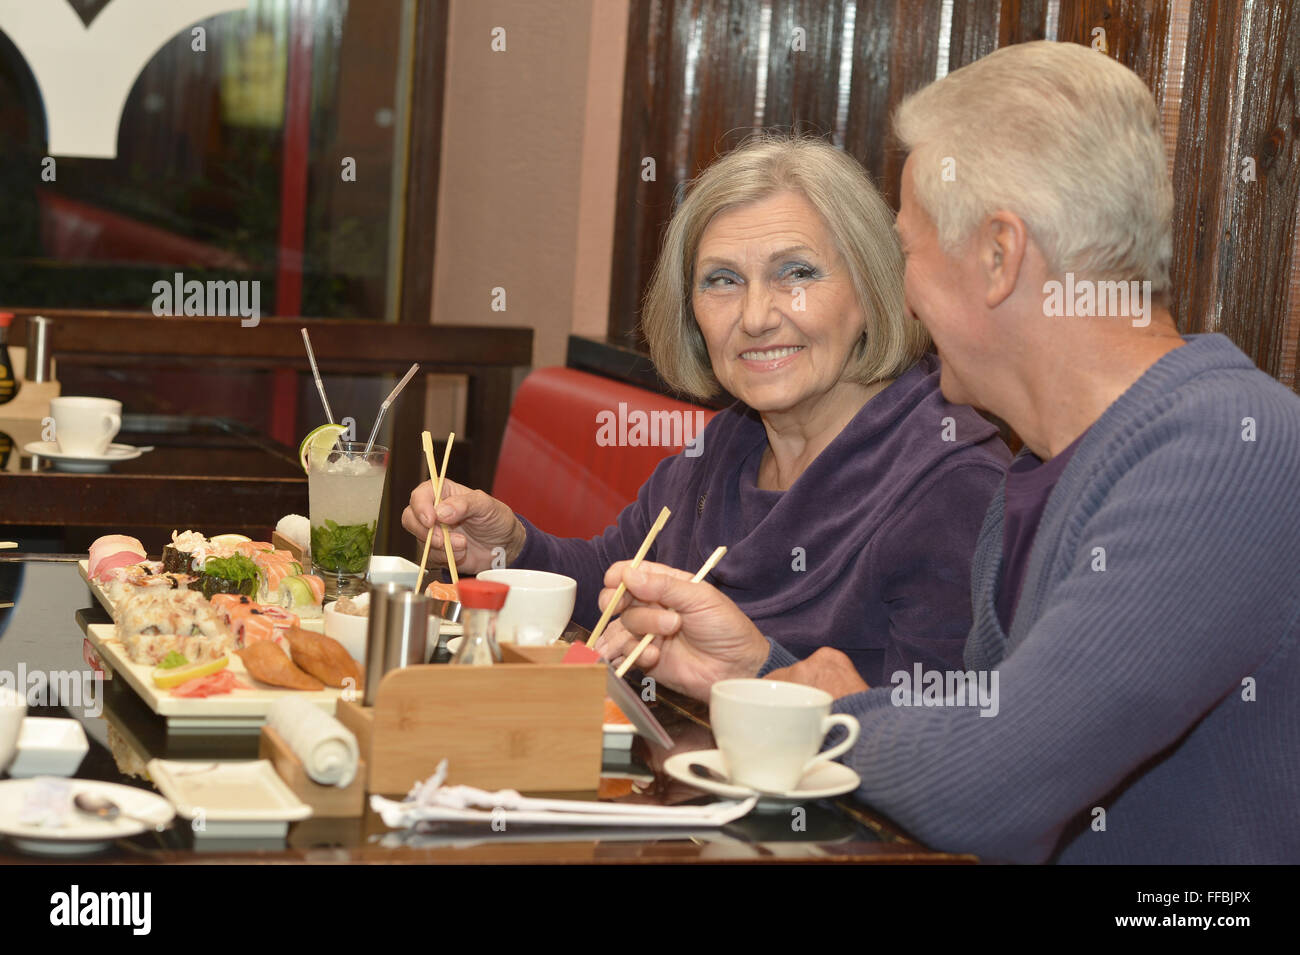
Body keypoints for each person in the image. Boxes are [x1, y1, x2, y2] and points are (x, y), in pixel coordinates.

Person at [592, 41, 1300, 864]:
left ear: (998, 257)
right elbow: (968, 731)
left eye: (906, 248)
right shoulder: (1037, 467)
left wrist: (815, 717)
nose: (904, 292)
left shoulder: (1224, 451)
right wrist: (759, 673)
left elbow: (992, 784)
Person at [405, 134, 1009, 684]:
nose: (755, 317)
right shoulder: (729, 443)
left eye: (796, 273)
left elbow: (941, 744)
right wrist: (506, 549)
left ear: (874, 289)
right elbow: (613, 584)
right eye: (722, 280)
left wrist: (757, 671)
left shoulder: (950, 484)